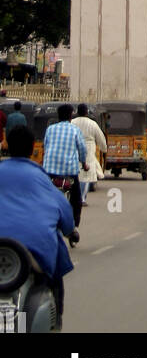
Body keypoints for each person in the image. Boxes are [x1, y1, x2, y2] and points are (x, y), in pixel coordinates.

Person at [0, 125, 78, 328]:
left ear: (7, 145)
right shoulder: (42, 179)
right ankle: (56, 323)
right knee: (54, 274)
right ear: (33, 147)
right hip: (33, 255)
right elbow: (67, 220)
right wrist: (71, 232)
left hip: (8, 253)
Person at [42, 104, 88, 230]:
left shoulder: (50, 129)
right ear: (70, 116)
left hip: (50, 170)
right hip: (69, 172)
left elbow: (45, 147)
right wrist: (84, 163)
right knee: (76, 199)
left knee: (46, 196)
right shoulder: (75, 130)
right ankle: (75, 227)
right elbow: (82, 150)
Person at [71, 104, 107, 204]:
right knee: (86, 176)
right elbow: (100, 138)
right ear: (87, 112)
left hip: (75, 148)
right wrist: (104, 149)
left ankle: (73, 197)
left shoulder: (72, 122)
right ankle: (82, 198)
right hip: (89, 149)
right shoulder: (93, 124)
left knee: (75, 174)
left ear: (77, 112)